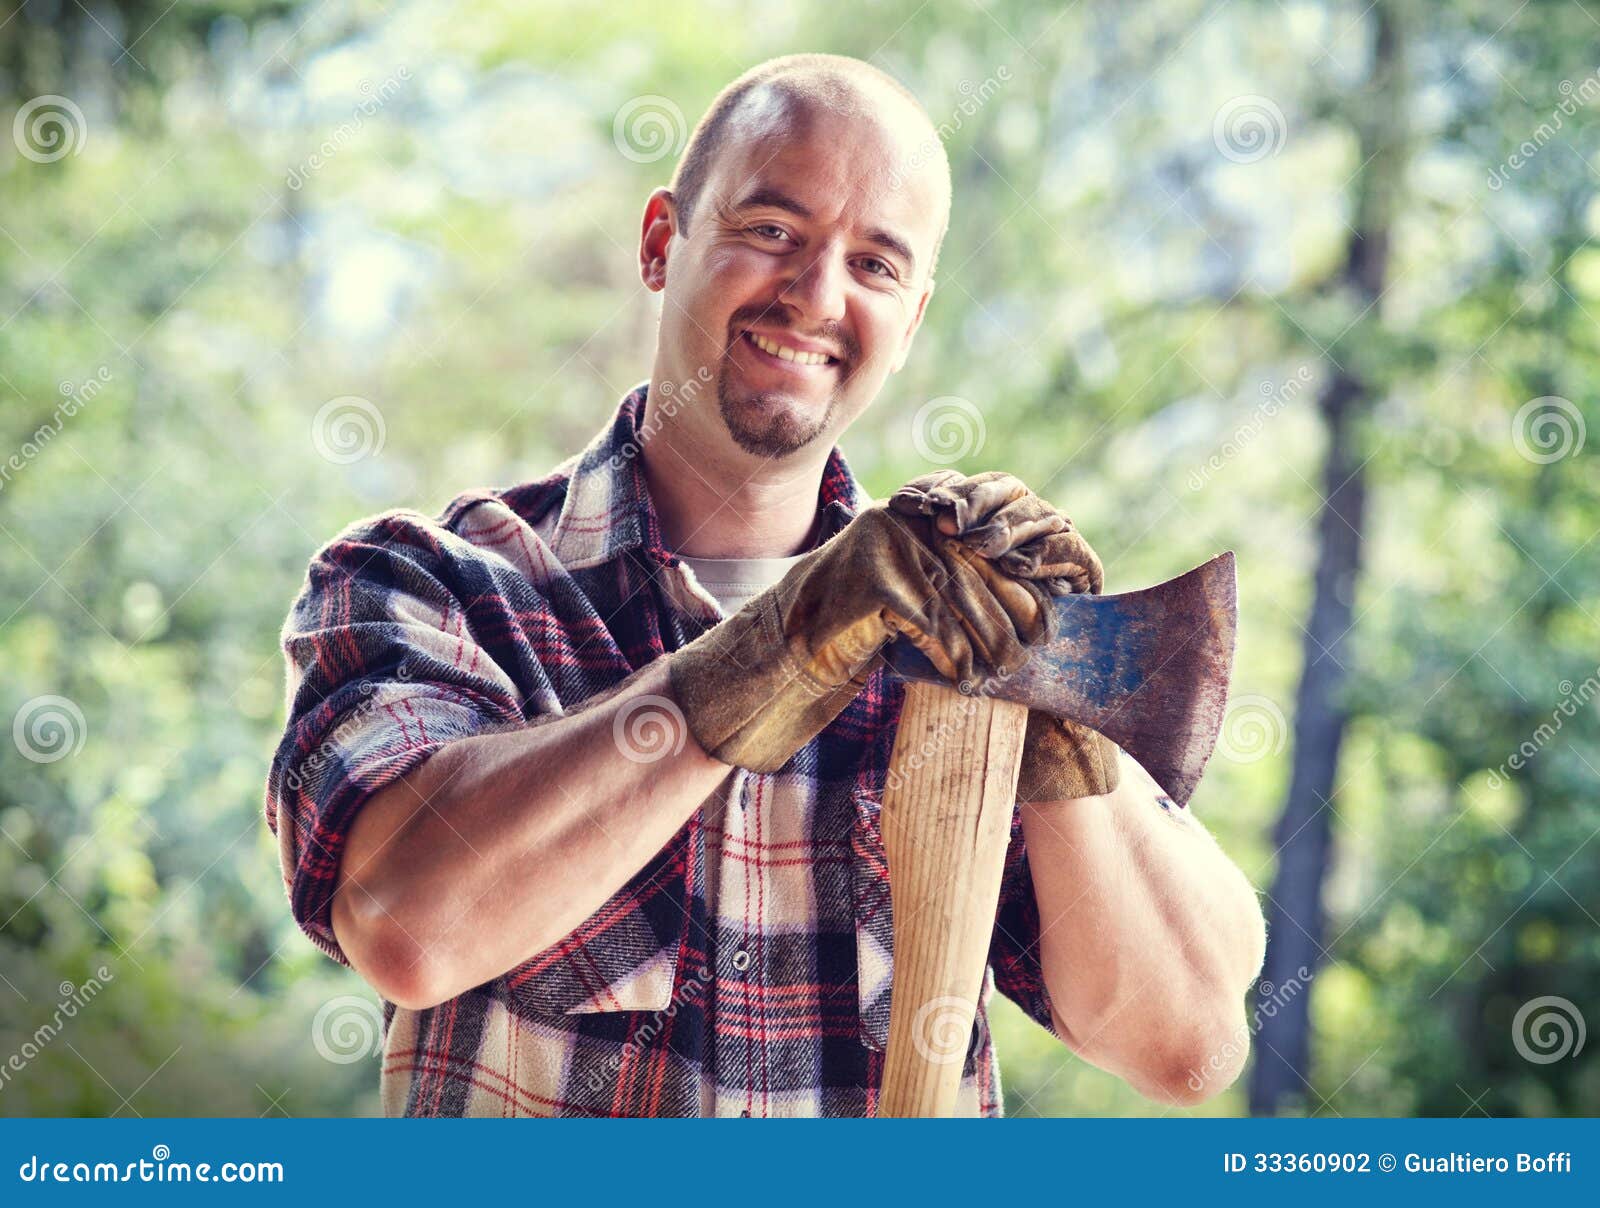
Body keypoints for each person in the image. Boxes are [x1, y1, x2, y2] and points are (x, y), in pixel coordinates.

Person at [264, 53, 1265, 1117]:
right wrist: (776, 649)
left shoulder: (959, 641)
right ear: (662, 242)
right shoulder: (436, 584)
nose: (816, 295)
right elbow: (408, 923)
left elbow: (1186, 1044)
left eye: (875, 265)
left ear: (912, 317)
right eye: (772, 231)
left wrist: (1066, 727)